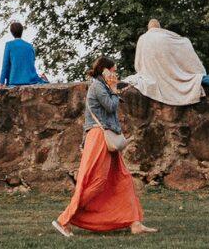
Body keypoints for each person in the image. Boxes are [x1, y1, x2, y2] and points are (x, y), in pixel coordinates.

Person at [53, 56, 154, 237]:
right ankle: (64, 219)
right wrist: (114, 89)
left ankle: (135, 223)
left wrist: (115, 88)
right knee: (96, 181)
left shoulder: (103, 86)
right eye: (113, 70)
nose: (115, 74)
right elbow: (110, 106)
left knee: (123, 178)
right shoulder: (98, 86)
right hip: (99, 136)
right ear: (104, 70)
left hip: (106, 137)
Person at [0, 22, 45, 87]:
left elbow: (5, 65)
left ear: (11, 32)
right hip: (30, 79)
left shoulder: (9, 45)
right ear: (22, 31)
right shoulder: (30, 46)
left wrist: (2, 81)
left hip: (14, 81)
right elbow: (32, 62)